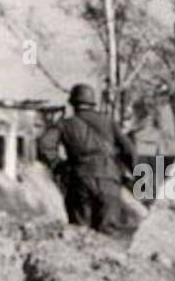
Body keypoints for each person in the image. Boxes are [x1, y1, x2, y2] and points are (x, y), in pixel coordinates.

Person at [37, 83, 135, 233]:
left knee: (80, 234)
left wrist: (58, 165)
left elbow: (44, 144)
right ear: (92, 103)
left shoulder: (65, 124)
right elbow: (129, 150)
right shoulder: (108, 122)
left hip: (79, 180)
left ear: (73, 104)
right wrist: (137, 177)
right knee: (108, 234)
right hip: (109, 180)